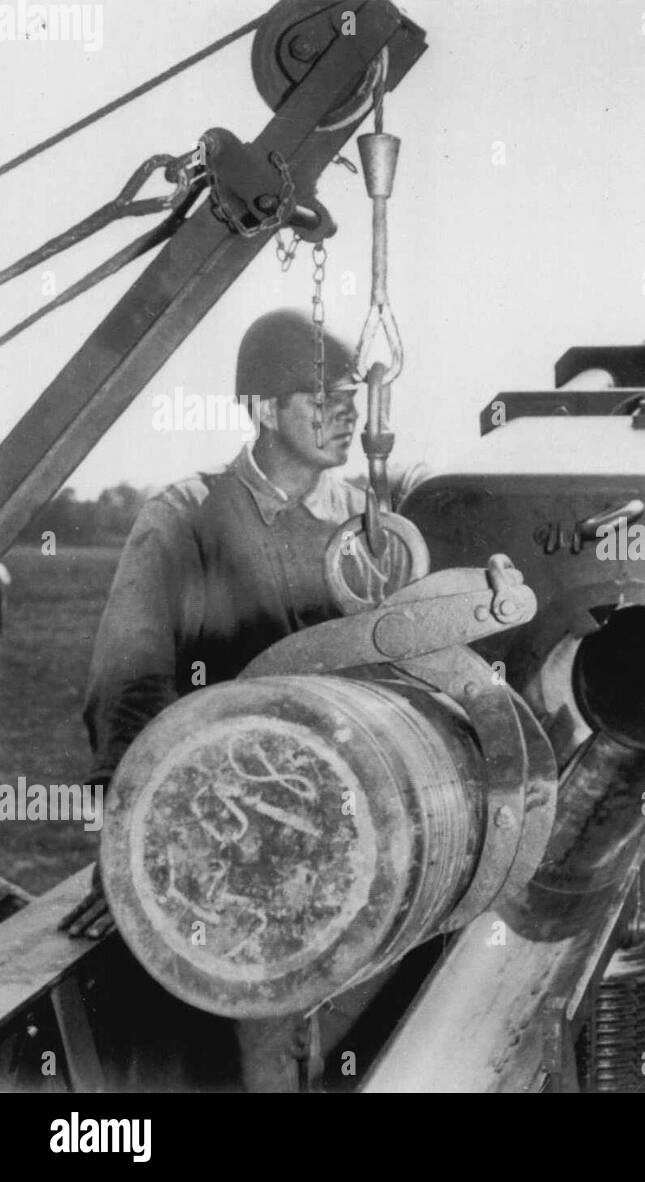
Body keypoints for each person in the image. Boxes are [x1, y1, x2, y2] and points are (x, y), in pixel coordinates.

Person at [60, 308, 369, 1090]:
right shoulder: (186, 518)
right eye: (321, 395)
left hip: (357, 846)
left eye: (355, 394)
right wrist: (130, 846)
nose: (348, 412)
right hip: (231, 848)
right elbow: (130, 685)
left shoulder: (367, 526)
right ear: (264, 408)